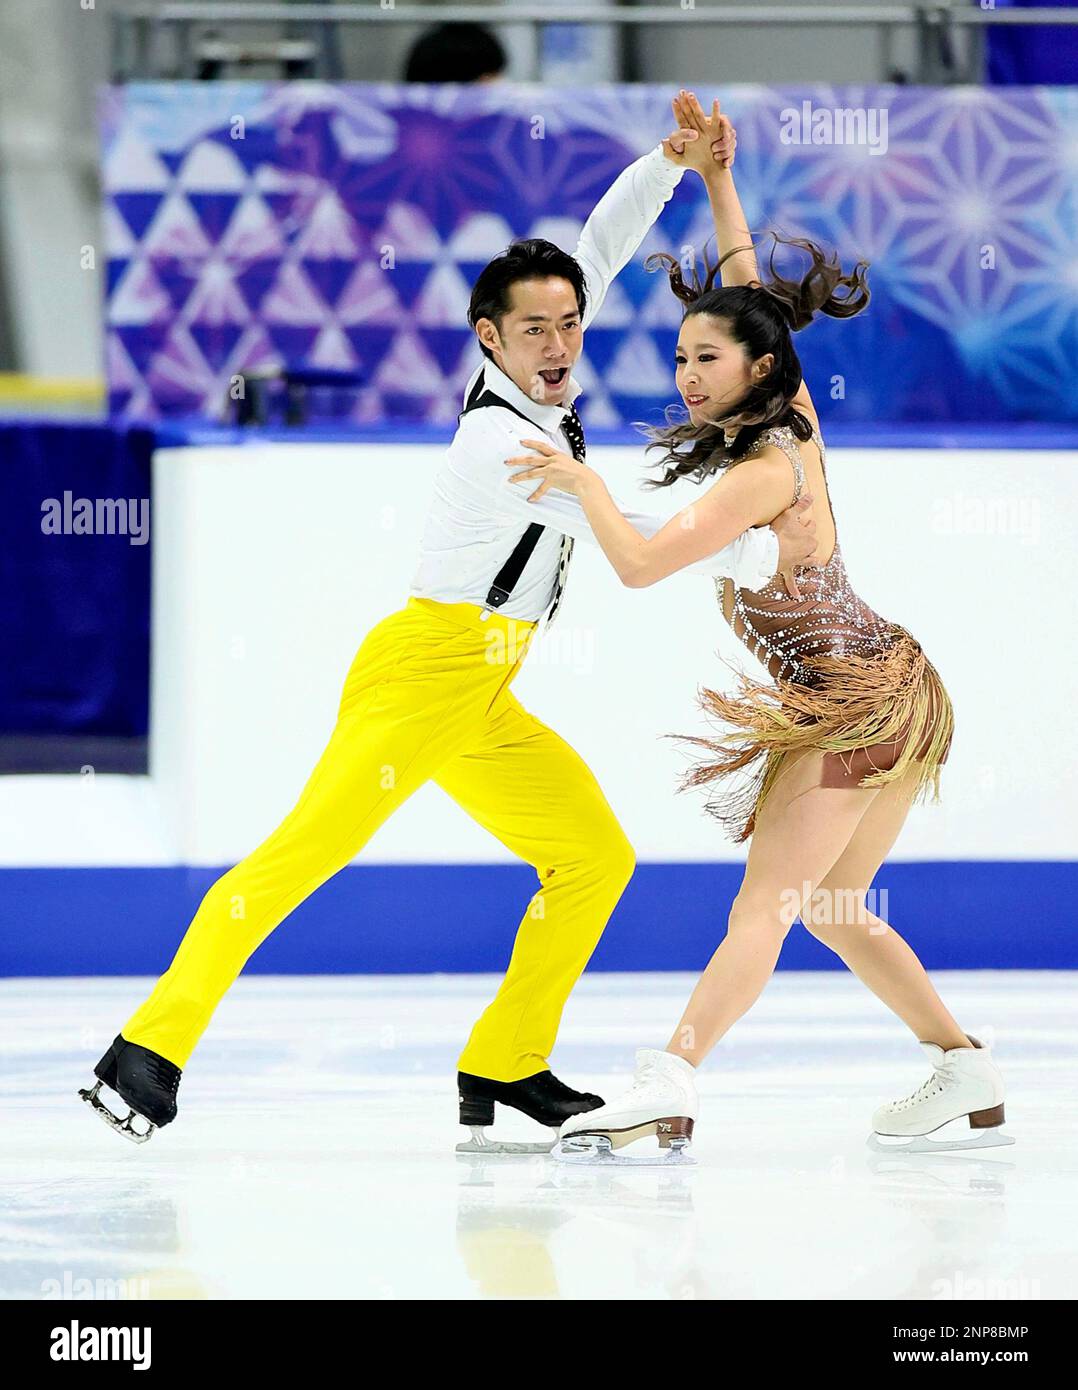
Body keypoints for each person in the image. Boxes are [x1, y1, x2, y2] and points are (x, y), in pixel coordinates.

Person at [79, 106, 822, 1153]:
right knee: (294, 860)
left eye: (570, 325)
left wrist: (671, 162)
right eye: (537, 331)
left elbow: (599, 245)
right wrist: (757, 544)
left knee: (593, 856)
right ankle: (146, 1051)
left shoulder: (543, 352)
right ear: (490, 338)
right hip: (421, 675)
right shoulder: (498, 445)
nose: (562, 346)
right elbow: (627, 531)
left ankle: (505, 1060)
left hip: (481, 687)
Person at [504, 92, 1009, 1162]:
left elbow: (639, 564)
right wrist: (716, 176)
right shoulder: (788, 416)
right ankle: (962, 1066)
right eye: (681, 356)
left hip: (854, 706)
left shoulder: (760, 475)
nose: (687, 374)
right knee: (830, 904)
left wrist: (577, 480)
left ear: (758, 371)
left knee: (767, 907)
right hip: (892, 686)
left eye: (706, 361)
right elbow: (749, 293)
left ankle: (668, 1076)